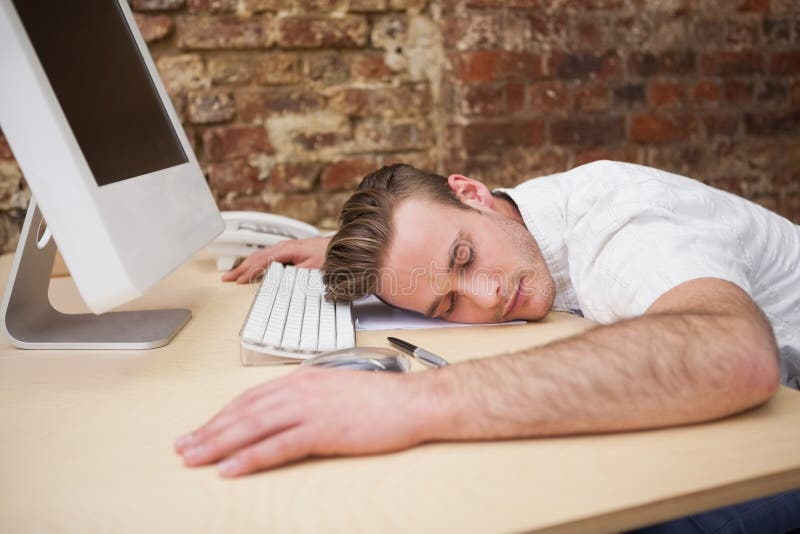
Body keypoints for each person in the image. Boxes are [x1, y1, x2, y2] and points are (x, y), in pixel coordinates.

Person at [175, 161, 800, 532]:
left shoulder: (624, 227)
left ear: (471, 191)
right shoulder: (506, 215)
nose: (489, 294)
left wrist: (414, 402)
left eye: (465, 256)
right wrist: (351, 255)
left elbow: (731, 353)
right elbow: (424, 243)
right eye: (448, 304)